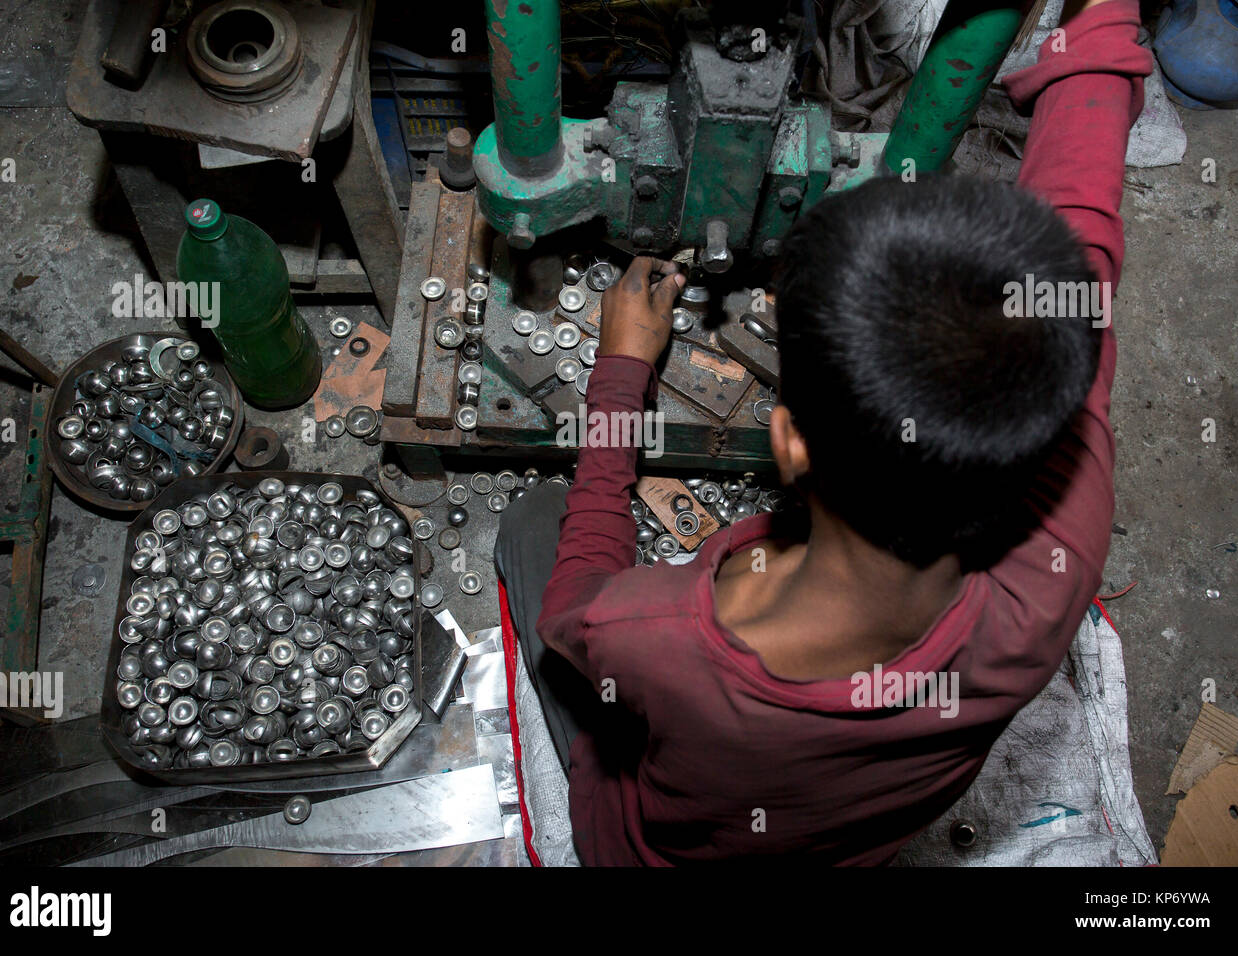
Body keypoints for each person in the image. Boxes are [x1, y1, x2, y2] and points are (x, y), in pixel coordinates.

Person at [494, 0, 1153, 864]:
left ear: (792, 442)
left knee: (538, 523)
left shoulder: (652, 637)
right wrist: (1099, 27)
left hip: (644, 847)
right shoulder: (1054, 574)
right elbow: (1084, 231)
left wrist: (621, 378)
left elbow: (574, 609)